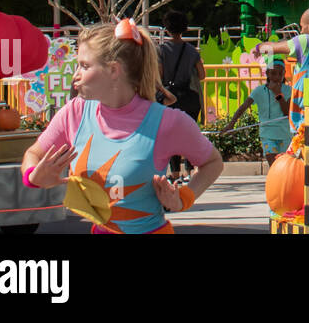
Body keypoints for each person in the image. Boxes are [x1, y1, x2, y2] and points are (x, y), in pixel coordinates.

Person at [20, 19, 224, 234]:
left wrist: (183, 198)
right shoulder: (75, 113)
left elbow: (213, 162)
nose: (75, 76)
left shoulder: (167, 122)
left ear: (113, 70)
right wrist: (33, 175)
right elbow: (34, 153)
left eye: (85, 65)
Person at [253, 7, 309, 137]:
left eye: (302, 27)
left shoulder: (306, 41)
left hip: (305, 119)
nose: (301, 31)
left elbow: (272, 48)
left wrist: (259, 47)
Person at [156, 10, 205, 182]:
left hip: (170, 98)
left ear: (167, 29)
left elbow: (159, 75)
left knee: (171, 136)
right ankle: (190, 171)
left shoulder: (162, 50)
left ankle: (175, 173)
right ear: (184, 28)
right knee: (189, 134)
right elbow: (202, 75)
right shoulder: (192, 51)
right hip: (190, 98)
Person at [226, 56, 292, 164]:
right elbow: (244, 107)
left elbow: (287, 112)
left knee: (284, 165)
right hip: (267, 134)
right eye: (274, 73)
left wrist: (278, 94)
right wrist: (231, 124)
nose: (277, 76)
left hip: (284, 134)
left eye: (281, 73)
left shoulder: (288, 90)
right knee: (274, 164)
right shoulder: (259, 90)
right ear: (267, 74)